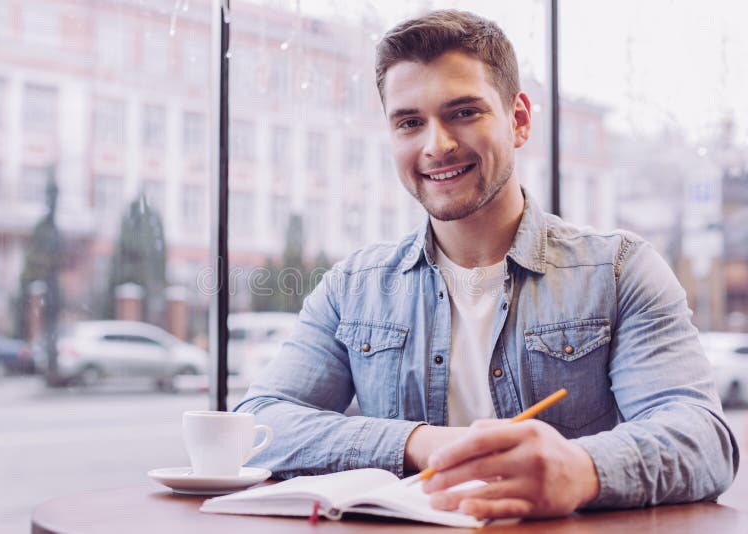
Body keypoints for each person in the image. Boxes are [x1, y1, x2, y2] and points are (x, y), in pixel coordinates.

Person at [235, 9, 738, 519]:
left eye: (463, 113)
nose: (437, 145)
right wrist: (421, 443)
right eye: (410, 122)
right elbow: (258, 424)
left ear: (518, 119)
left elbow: (702, 438)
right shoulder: (352, 288)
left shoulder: (619, 269)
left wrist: (581, 469)